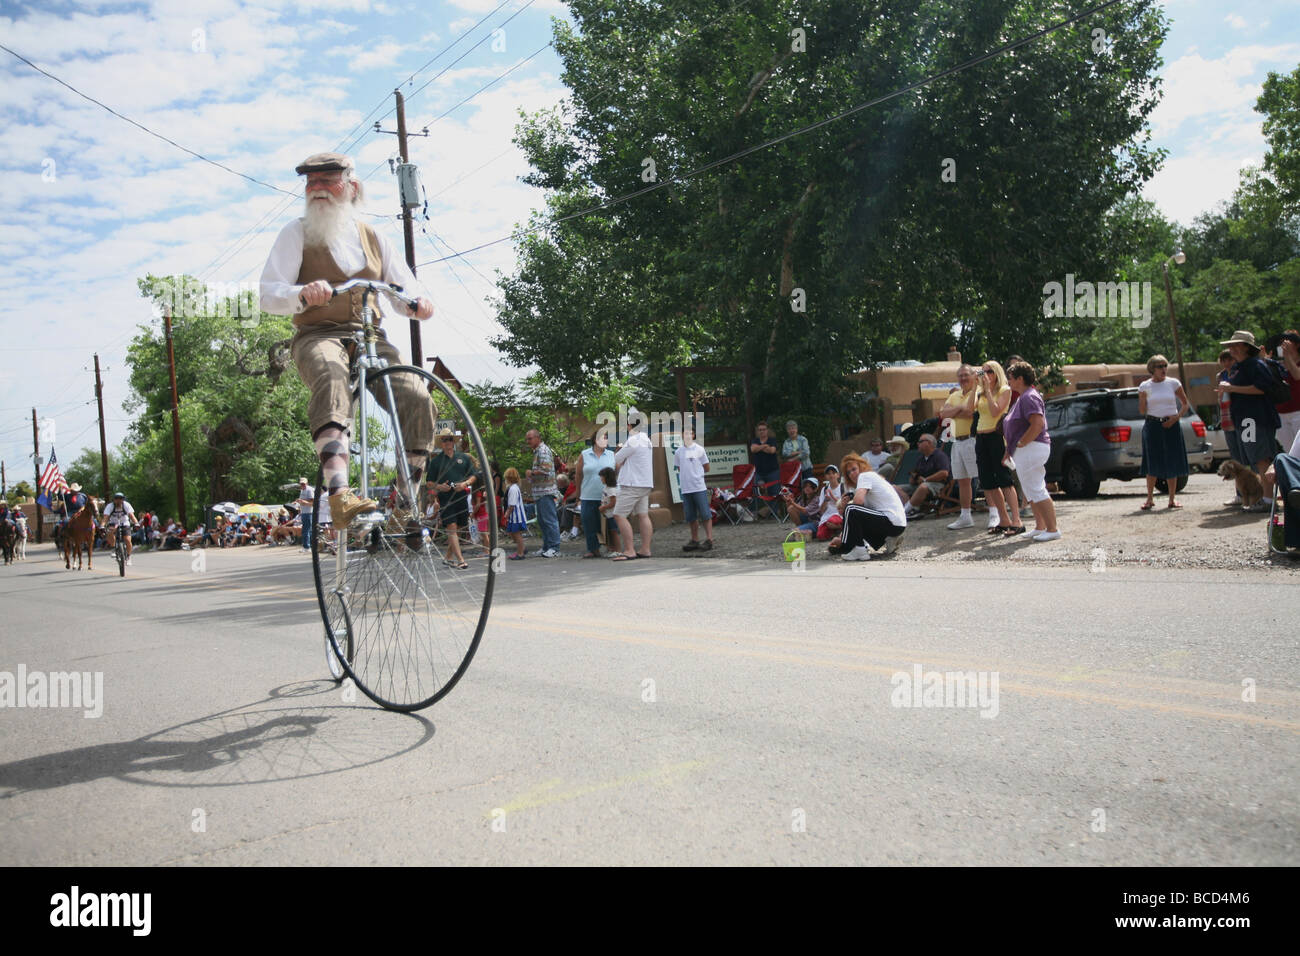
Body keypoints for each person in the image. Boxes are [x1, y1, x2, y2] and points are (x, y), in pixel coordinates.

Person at [259, 151, 436, 531]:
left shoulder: (375, 237)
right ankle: (340, 495)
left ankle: (405, 503)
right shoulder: (296, 233)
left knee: (418, 396)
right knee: (332, 375)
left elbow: (403, 289)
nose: (317, 189)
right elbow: (268, 294)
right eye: (311, 183)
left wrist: (418, 304)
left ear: (352, 188)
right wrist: (302, 293)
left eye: (327, 181)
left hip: (371, 336)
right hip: (318, 334)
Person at [1215, 330, 1280, 511]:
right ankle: (1262, 498)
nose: (1231, 349)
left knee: (1261, 458)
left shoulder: (1255, 365)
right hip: (1245, 420)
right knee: (1253, 458)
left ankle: (1267, 501)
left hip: (1255, 419)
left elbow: (1262, 388)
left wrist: (1232, 388)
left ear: (1246, 347)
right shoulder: (1239, 367)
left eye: (1235, 345)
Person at [1004, 361, 1060, 540]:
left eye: (1010, 378)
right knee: (1030, 489)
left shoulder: (1029, 396)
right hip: (1026, 449)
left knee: (1036, 487)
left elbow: (1037, 423)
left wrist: (1021, 442)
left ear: (1020, 378)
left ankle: (1052, 530)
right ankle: (1040, 526)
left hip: (1032, 447)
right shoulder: (1024, 396)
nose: (1008, 382)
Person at [974, 359, 1025, 535]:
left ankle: (1016, 520)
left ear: (997, 373)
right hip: (981, 437)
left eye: (989, 372)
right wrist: (976, 386)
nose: (986, 375)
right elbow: (970, 409)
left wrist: (987, 390)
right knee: (988, 482)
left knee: (1004, 479)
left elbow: (996, 411)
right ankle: (1004, 520)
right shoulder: (980, 392)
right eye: (983, 372)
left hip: (995, 437)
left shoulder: (1004, 390)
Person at [829, 454, 906, 560]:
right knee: (852, 511)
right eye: (848, 472)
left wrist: (843, 540)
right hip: (897, 525)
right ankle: (889, 540)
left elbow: (857, 503)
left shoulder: (865, 476)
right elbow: (861, 517)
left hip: (891, 521)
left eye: (854, 469)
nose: (852, 473)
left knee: (851, 509)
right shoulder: (871, 479)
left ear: (861, 467)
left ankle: (857, 549)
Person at [1138, 354, 1190, 510]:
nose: (1163, 369)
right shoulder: (1145, 385)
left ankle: (1172, 499)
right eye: (1160, 366)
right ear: (1152, 369)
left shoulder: (1173, 383)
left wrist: (1176, 418)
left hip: (1171, 424)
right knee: (1152, 460)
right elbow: (1142, 410)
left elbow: (1185, 404)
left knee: (1172, 459)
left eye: (1165, 365)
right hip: (1153, 424)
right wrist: (1142, 400)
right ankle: (1149, 499)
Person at [429, 427, 478, 569]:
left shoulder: (463, 458)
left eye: (450, 439)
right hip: (445, 498)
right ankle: (461, 560)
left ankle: (448, 557)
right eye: (444, 440)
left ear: (453, 442)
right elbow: (429, 482)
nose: (448, 442)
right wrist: (439, 487)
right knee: (451, 527)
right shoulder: (436, 461)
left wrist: (465, 484)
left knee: (460, 526)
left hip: (461, 496)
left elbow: (474, 475)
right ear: (441, 443)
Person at [611, 408, 654, 560]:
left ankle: (629, 550)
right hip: (645, 484)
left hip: (632, 484)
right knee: (643, 515)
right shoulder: (646, 439)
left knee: (619, 515)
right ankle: (645, 549)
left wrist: (619, 450)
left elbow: (616, 459)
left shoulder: (633, 440)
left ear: (629, 425)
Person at [940, 364, 979, 529]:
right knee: (963, 480)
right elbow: (943, 414)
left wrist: (954, 411)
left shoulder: (977, 392)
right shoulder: (955, 395)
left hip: (973, 439)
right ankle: (965, 515)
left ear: (973, 376)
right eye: (960, 376)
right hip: (957, 441)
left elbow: (970, 412)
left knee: (984, 477)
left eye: (966, 375)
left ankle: (995, 514)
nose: (963, 378)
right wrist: (960, 409)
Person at [573, 428, 616, 558]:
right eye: (604, 437)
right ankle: (593, 549)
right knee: (589, 522)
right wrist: (578, 494)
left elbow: (617, 473)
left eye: (607, 437)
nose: (606, 440)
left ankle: (611, 548)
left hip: (607, 495)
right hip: (588, 494)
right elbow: (578, 475)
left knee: (609, 523)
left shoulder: (611, 455)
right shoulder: (584, 454)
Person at [674, 426, 714, 552]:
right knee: (691, 516)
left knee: (705, 514)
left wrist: (697, 476)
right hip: (686, 488)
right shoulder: (678, 452)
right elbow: (679, 468)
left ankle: (709, 539)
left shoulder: (699, 449)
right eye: (685, 433)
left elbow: (706, 467)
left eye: (690, 433)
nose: (687, 435)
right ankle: (695, 539)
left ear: (693, 435)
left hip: (698, 487)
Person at [893, 433, 950, 518]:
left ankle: (905, 511)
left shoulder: (940, 455)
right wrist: (914, 478)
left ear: (929, 443)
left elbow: (944, 473)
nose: (917, 444)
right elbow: (916, 474)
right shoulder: (921, 458)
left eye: (920, 441)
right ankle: (913, 509)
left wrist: (925, 480)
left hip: (938, 485)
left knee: (923, 486)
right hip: (921, 485)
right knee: (894, 487)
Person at [525, 429, 561, 557]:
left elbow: (545, 470)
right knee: (542, 521)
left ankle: (554, 547)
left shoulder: (543, 450)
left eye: (530, 438)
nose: (528, 441)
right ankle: (547, 547)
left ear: (537, 438)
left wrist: (531, 473)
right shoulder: (537, 451)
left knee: (549, 520)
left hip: (546, 492)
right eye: (527, 439)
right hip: (540, 492)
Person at [1270, 330, 1300, 455]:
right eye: (1282, 342)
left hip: (1298, 412)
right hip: (1281, 413)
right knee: (1289, 453)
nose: (1283, 344)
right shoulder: (1279, 365)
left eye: (1287, 341)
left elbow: (1297, 375)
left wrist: (1288, 356)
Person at [749, 421, 781, 512]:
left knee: (774, 493)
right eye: (760, 430)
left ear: (767, 430)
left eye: (763, 429)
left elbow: (772, 451)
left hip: (773, 471)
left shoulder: (772, 440)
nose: (762, 431)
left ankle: (774, 513)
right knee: (756, 491)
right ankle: (756, 513)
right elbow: (753, 449)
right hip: (759, 472)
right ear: (757, 431)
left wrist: (759, 447)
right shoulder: (754, 440)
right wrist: (765, 446)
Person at [101, 492, 139, 564]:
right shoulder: (110, 506)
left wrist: (136, 523)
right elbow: (106, 517)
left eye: (120, 498)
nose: (118, 500)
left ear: (123, 499)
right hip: (113, 523)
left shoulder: (126, 505)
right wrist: (102, 526)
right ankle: (113, 548)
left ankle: (128, 556)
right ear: (114, 500)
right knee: (109, 532)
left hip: (124, 523)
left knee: (128, 540)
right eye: (116, 499)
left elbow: (131, 515)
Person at [814, 464, 845, 541]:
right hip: (827, 516)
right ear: (826, 477)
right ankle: (836, 532)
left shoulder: (843, 487)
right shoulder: (824, 489)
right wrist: (826, 500)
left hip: (840, 515)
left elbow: (846, 505)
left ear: (838, 475)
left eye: (833, 473)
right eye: (828, 473)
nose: (831, 475)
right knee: (820, 536)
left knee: (830, 522)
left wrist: (833, 497)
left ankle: (844, 527)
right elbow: (821, 511)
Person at [502, 468, 528, 560]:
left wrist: (505, 516)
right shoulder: (514, 487)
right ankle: (522, 549)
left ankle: (520, 553)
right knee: (512, 533)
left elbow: (512, 505)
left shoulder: (513, 489)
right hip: (515, 516)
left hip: (516, 517)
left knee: (516, 534)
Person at [597, 466, 622, 555]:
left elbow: (613, 502)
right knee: (610, 532)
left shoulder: (611, 490)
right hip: (607, 514)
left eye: (602, 477)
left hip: (612, 514)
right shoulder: (607, 488)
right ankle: (612, 549)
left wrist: (604, 507)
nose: (601, 479)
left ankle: (618, 550)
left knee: (614, 532)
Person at [294, 477, 316, 553]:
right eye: (301, 483)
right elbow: (303, 501)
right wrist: (298, 501)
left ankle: (306, 547)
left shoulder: (309, 490)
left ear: (307, 483)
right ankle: (308, 546)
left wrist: (302, 501)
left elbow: (312, 502)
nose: (302, 485)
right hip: (304, 512)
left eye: (303, 483)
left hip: (308, 512)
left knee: (306, 530)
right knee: (307, 530)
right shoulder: (302, 490)